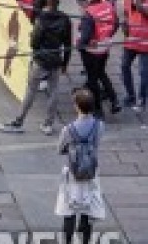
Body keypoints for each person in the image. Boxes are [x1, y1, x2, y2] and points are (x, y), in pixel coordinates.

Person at [0, 0, 72, 135]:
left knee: (31, 90)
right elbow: (68, 43)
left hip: (41, 59)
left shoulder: (41, 19)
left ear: (47, 2)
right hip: (56, 59)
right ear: (58, 3)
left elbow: (34, 42)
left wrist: (34, 39)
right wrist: (65, 63)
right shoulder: (65, 19)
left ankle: (19, 121)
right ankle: (48, 124)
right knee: (53, 91)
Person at [55, 89, 106, 244]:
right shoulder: (99, 126)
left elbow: (60, 149)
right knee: (87, 208)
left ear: (77, 107)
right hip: (91, 172)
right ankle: (85, 240)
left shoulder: (68, 129)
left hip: (73, 173)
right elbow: (96, 144)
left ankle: (68, 240)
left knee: (68, 209)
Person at [78, 0, 121, 119]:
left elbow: (85, 36)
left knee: (92, 80)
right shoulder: (108, 6)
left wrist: (81, 44)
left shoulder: (89, 12)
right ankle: (114, 100)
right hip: (105, 47)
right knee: (101, 73)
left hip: (92, 51)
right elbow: (116, 23)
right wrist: (107, 36)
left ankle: (98, 110)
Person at [122, 0, 148, 111]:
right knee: (124, 66)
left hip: (145, 43)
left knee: (144, 72)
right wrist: (125, 25)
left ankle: (142, 98)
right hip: (131, 40)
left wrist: (138, 1)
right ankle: (130, 95)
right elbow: (127, 15)